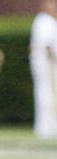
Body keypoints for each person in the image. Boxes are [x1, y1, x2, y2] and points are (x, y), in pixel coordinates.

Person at [34, 0, 57, 138]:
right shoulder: (43, 20)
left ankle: (51, 126)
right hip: (46, 64)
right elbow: (47, 45)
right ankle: (45, 128)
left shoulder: (51, 20)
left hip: (49, 64)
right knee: (45, 95)